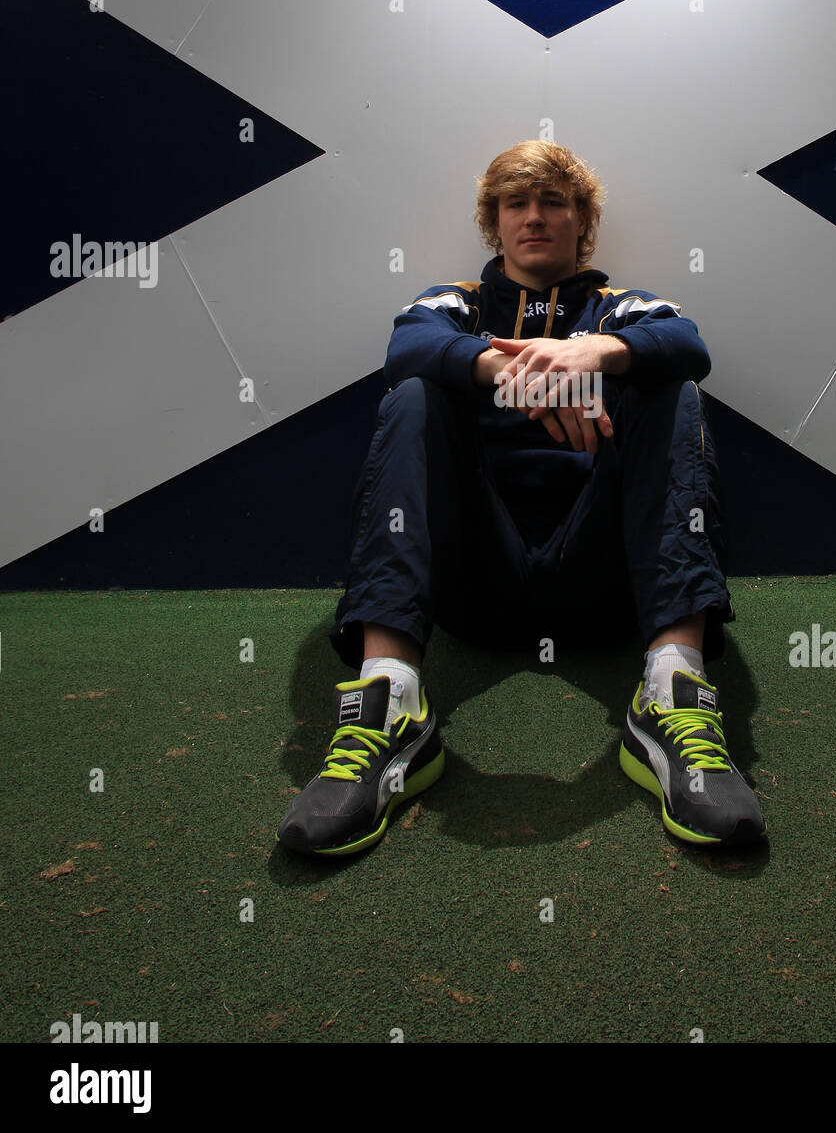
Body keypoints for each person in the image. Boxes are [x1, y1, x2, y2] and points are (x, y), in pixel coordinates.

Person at [276, 141, 766, 857]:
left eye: (553, 202)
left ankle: (672, 693)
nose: (534, 217)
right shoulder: (456, 303)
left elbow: (686, 344)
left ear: (581, 222)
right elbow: (406, 348)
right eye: (516, 203)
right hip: (479, 583)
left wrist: (592, 353)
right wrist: (519, 373)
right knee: (412, 395)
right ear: (494, 222)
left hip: (603, 585)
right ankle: (388, 704)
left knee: (674, 389)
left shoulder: (618, 307)